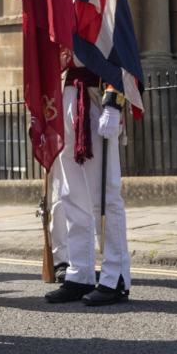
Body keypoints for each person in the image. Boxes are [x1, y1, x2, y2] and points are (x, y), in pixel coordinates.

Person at [46, 48, 131, 306]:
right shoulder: (59, 7)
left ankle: (115, 276)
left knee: (104, 195)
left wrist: (115, 102)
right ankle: (80, 272)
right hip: (64, 95)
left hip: (94, 97)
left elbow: (122, 48)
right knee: (72, 195)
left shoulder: (107, 4)